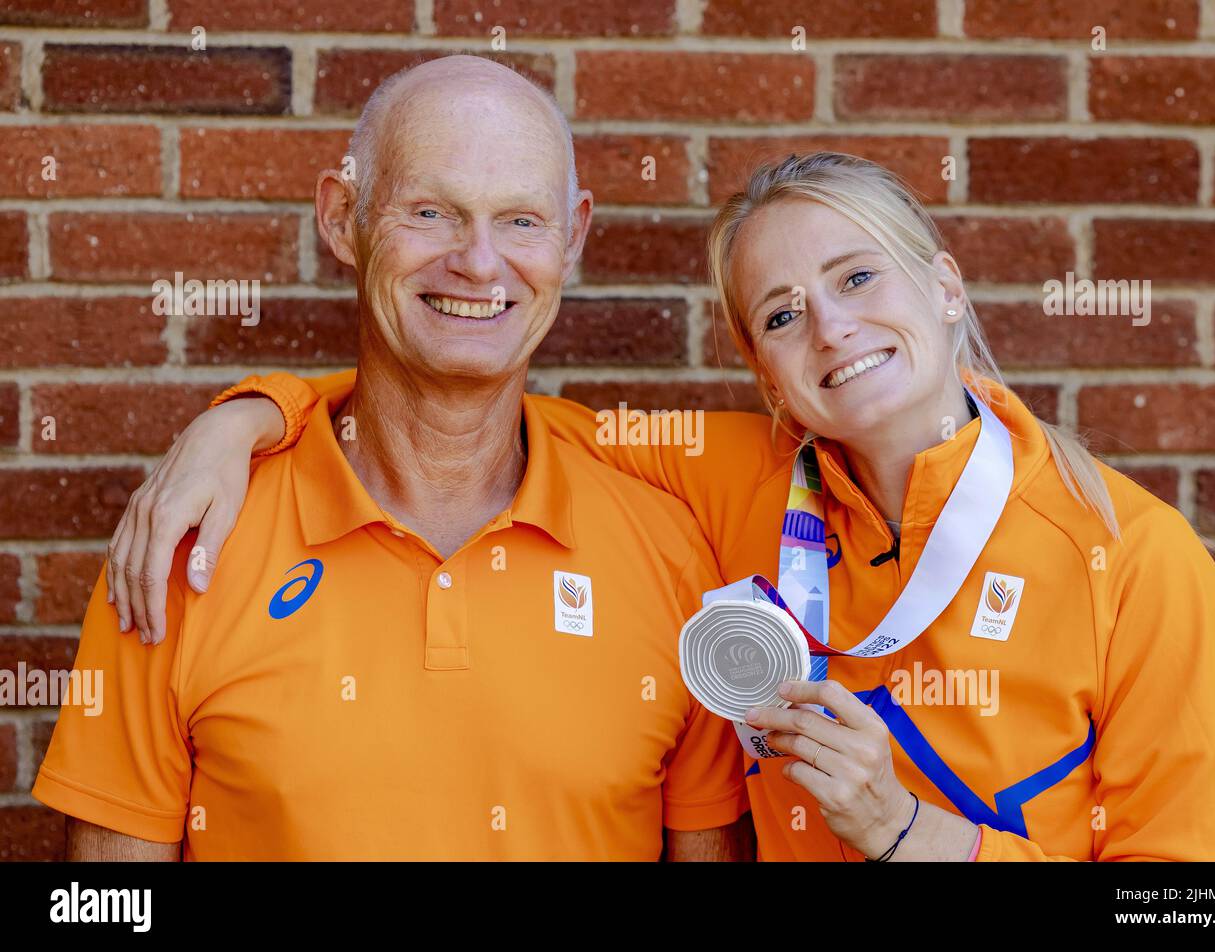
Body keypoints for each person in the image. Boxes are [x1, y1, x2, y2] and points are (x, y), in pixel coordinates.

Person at [106, 151, 1215, 862]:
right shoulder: (733, 475)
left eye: (858, 278)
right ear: (762, 374)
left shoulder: (1135, 557)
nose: (832, 330)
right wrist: (247, 417)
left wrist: (917, 838)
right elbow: (458, 394)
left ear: (945, 287)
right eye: (780, 313)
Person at [32, 56, 754, 861]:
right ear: (343, 218)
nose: (480, 262)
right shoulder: (184, 542)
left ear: (574, 234)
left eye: (521, 220)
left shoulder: (670, 548)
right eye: (431, 212)